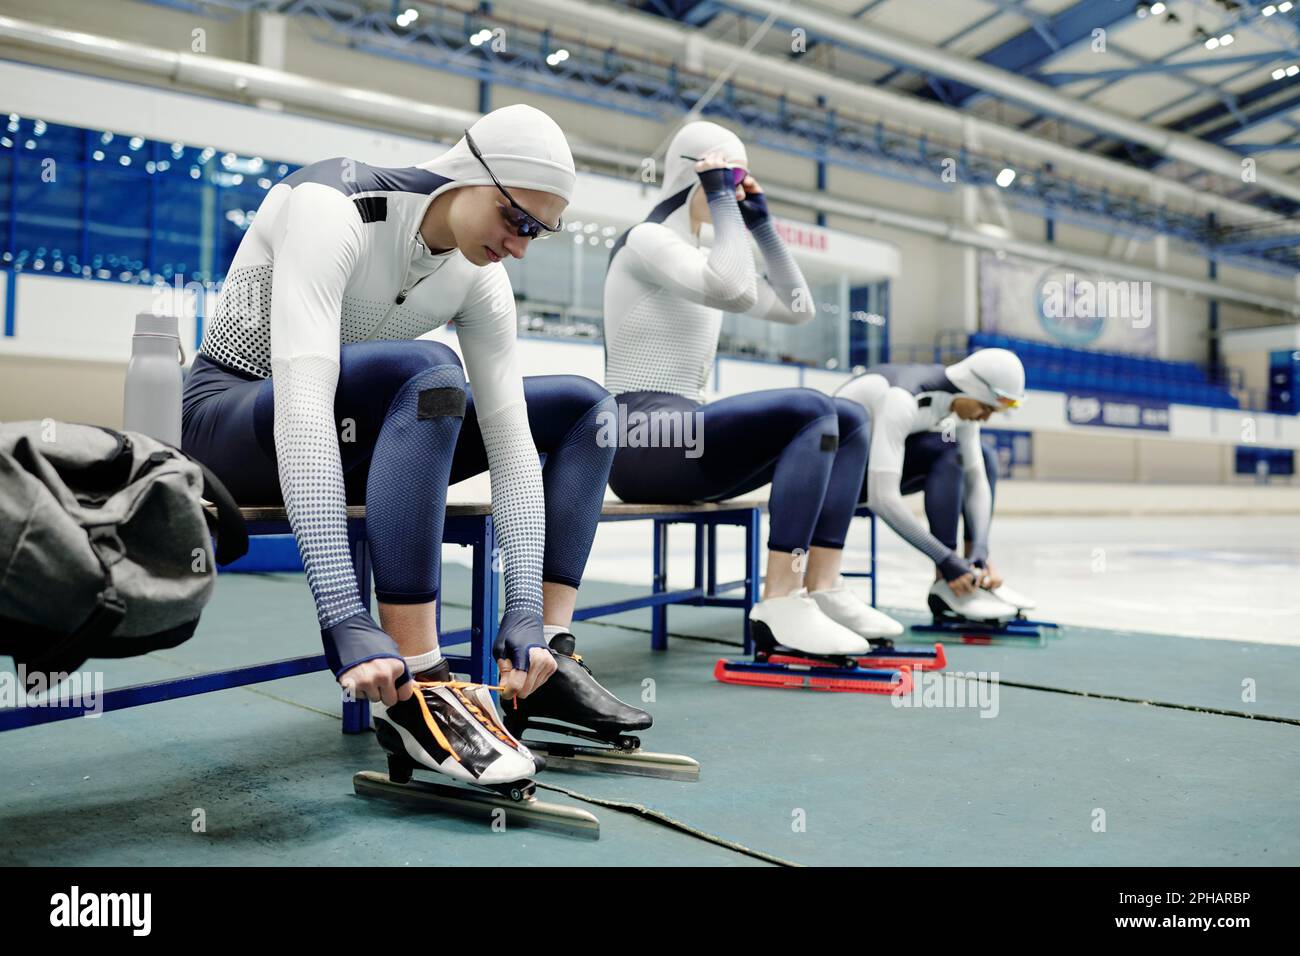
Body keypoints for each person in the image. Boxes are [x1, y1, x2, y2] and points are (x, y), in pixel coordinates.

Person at [182, 105, 646, 791]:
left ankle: (545, 662)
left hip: (361, 436)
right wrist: (343, 611)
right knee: (429, 372)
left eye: (538, 234)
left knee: (585, 407)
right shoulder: (330, 207)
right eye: (517, 220)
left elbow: (515, 448)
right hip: (235, 422)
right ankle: (420, 683)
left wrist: (523, 610)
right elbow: (305, 409)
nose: (521, 246)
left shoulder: (478, 276)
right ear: (471, 176)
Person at [602, 120, 901, 657]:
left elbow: (798, 309)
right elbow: (735, 289)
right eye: (728, 180)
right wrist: (722, 199)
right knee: (810, 409)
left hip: (682, 436)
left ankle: (821, 587)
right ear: (695, 174)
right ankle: (780, 602)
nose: (734, 195)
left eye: (739, 185)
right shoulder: (647, 241)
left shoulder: (699, 256)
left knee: (850, 417)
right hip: (638, 438)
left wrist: (763, 229)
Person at [835, 348, 1034, 623]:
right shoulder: (902, 398)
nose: (986, 417)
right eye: (987, 408)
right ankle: (948, 578)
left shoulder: (960, 402)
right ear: (973, 388)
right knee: (950, 453)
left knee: (982, 456)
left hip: (869, 468)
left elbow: (976, 477)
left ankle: (971, 573)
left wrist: (980, 548)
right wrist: (944, 558)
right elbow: (882, 498)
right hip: (838, 482)